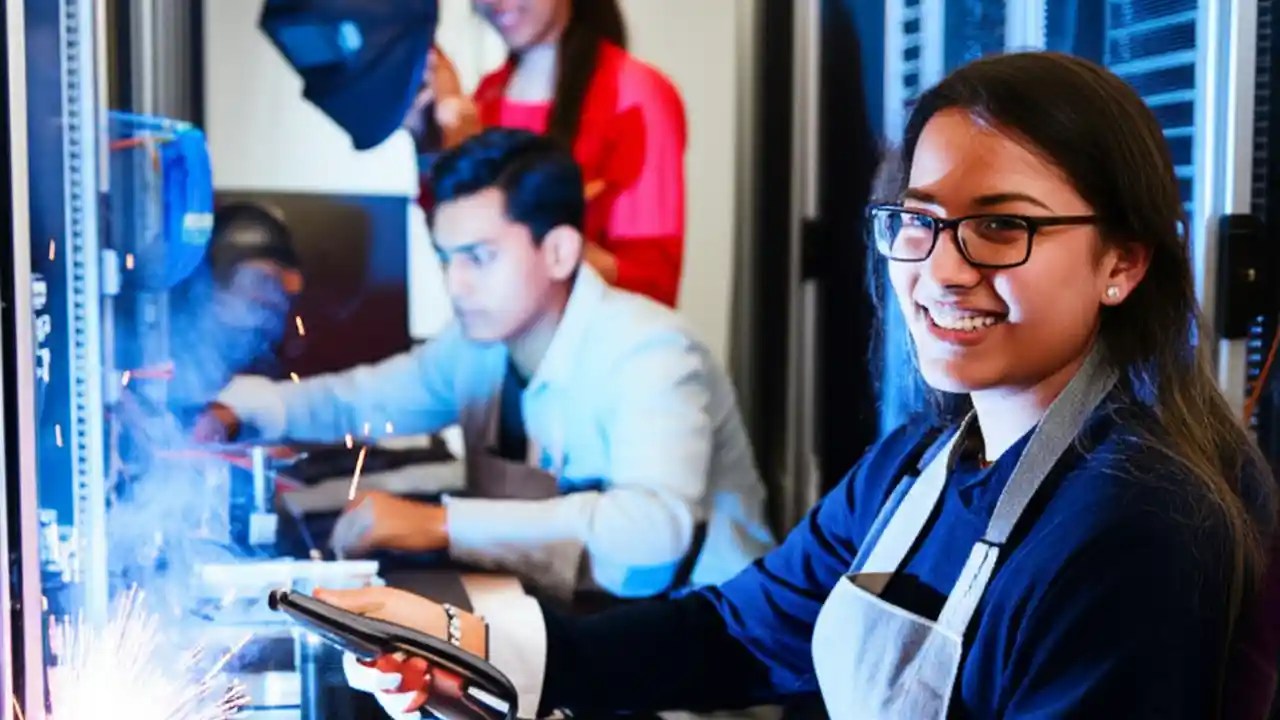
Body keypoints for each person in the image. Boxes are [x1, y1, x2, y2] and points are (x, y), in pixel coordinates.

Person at [318, 52, 1280, 719]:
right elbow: (741, 631)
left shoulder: (1138, 523)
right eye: (919, 220)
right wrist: (464, 643)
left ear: (1122, 264)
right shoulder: (922, 462)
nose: (940, 269)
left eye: (1003, 227)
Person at [197, 128, 774, 603]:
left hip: (709, 657)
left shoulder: (649, 352)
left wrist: (442, 523)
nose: (457, 284)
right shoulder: (479, 345)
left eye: (480, 257)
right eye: (447, 259)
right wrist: (239, 411)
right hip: (585, 624)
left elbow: (654, 530)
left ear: (559, 252)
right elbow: (367, 399)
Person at [408, 0, 687, 307]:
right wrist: (432, 147)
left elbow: (651, 285)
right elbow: (461, 262)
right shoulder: (487, 96)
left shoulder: (636, 96)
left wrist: (473, 162)